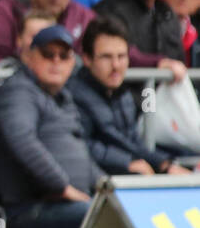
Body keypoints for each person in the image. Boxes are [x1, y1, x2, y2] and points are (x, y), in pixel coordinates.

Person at [0, 24, 101, 228]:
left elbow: (81, 154)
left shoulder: (63, 97)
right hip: (29, 208)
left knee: (125, 211)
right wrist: (62, 187)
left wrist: (108, 187)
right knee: (100, 216)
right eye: (48, 54)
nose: (56, 61)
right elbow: (22, 140)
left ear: (73, 62)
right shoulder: (17, 91)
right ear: (29, 57)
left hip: (70, 203)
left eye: (63, 56)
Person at [70, 15, 194, 176]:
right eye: (106, 57)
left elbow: (132, 143)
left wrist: (164, 163)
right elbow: (81, 146)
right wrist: (127, 163)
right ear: (86, 59)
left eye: (121, 56)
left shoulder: (122, 95)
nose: (116, 65)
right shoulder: (73, 95)